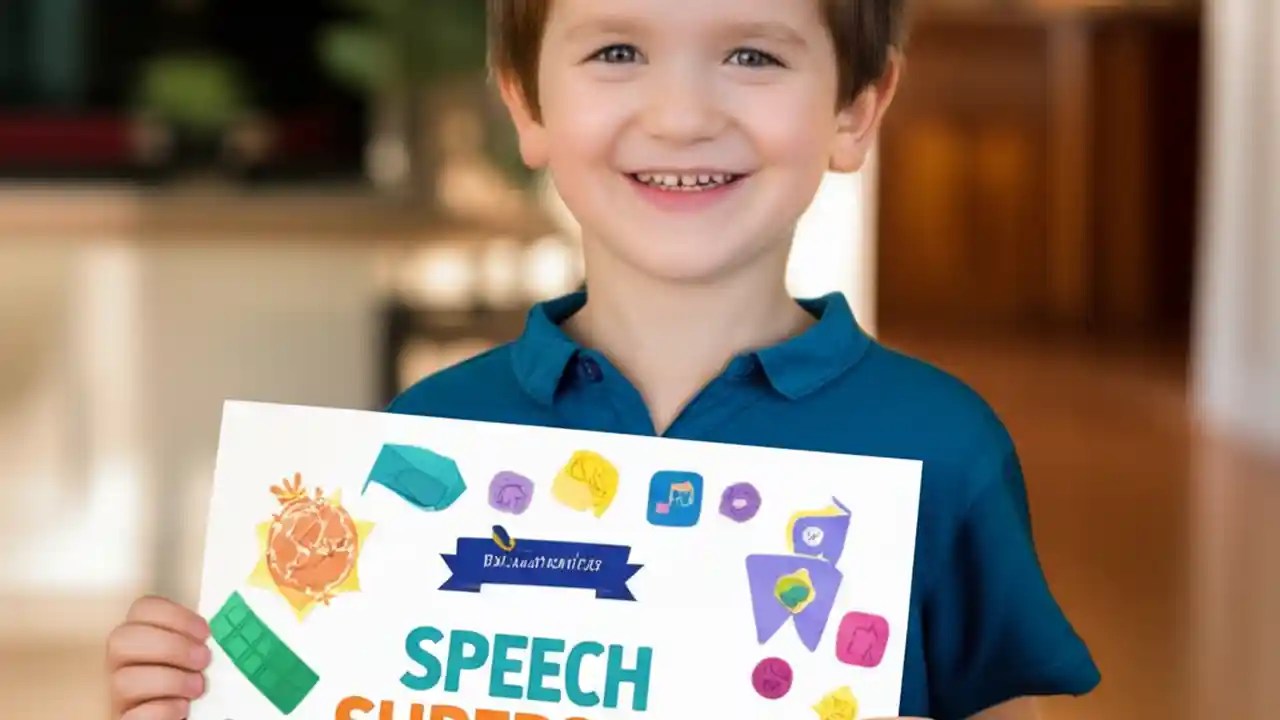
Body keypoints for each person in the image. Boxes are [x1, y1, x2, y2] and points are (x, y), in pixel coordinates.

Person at [104, 0, 1100, 718]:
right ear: (526, 107)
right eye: (617, 49)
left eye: (752, 55)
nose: (678, 115)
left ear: (855, 110)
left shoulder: (943, 448)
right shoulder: (423, 444)